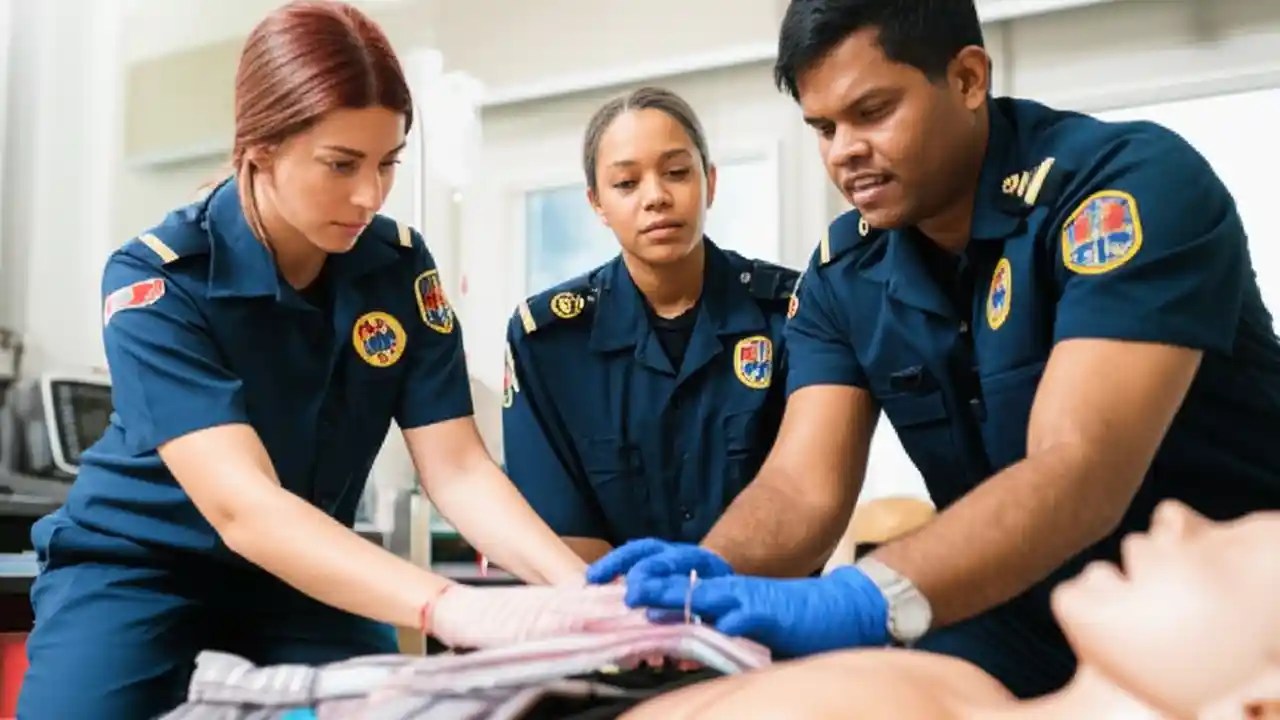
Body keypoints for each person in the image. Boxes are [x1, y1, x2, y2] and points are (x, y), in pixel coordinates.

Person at [589, 0, 1280, 698]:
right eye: (823, 128)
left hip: (1220, 605)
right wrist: (706, 572)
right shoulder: (843, 275)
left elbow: (1077, 465)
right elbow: (800, 488)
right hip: (1016, 604)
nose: (843, 150)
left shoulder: (1125, 187)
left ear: (968, 78)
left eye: (872, 112)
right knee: (810, 698)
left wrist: (864, 596)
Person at [17, 3, 634, 718]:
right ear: (260, 148)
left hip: (305, 578)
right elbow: (244, 507)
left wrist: (581, 593)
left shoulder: (397, 268)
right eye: (341, 165)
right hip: (141, 569)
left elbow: (458, 470)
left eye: (387, 163)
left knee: (402, 708)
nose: (369, 195)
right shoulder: (160, 279)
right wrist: (450, 606)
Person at [621, 501, 1280, 720]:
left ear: (1260, 707)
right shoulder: (955, 683)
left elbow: (1082, 455)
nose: (1176, 515)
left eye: (1233, 549)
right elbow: (801, 484)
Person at [503, 86, 799, 563]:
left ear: (710, 182)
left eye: (677, 173)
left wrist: (705, 595)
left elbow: (805, 496)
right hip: (608, 604)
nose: (656, 197)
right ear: (596, 203)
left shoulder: (790, 316)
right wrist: (636, 604)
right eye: (626, 183)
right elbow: (557, 529)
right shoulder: (548, 341)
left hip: (763, 600)